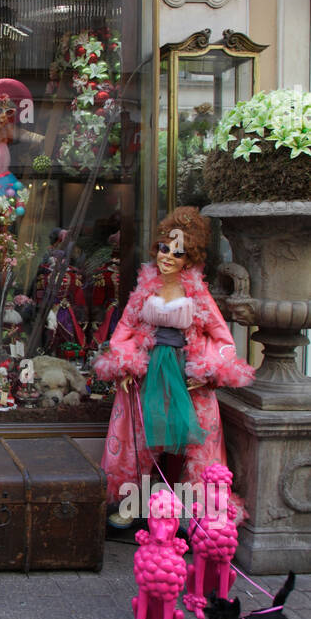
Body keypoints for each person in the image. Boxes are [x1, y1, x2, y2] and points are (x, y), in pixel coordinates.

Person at [93, 207, 254, 529]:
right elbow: (123, 330)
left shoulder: (199, 294)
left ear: (188, 259)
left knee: (190, 445)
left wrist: (205, 368)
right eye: (164, 248)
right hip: (149, 375)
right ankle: (133, 503)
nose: (167, 256)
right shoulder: (145, 289)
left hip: (184, 377)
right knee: (143, 441)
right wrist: (127, 362)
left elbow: (223, 337)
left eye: (177, 253)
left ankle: (190, 511)